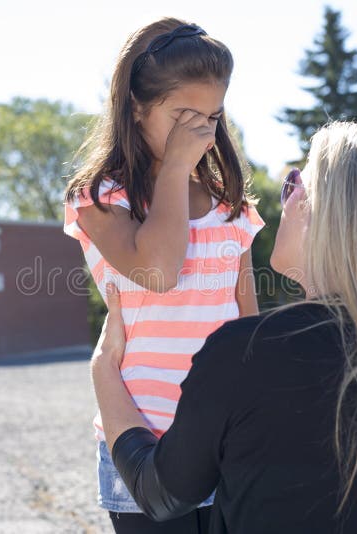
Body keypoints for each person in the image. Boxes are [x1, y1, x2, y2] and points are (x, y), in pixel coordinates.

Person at [92, 121, 357, 533]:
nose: (283, 202)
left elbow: (160, 494)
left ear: (328, 215)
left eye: (294, 184)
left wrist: (105, 371)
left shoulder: (248, 354)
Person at [62, 17, 266, 533]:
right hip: (141, 443)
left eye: (212, 116)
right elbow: (159, 271)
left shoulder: (231, 207)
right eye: (182, 115)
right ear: (136, 108)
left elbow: (248, 323)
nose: (200, 130)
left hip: (228, 443)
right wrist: (175, 169)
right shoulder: (100, 199)